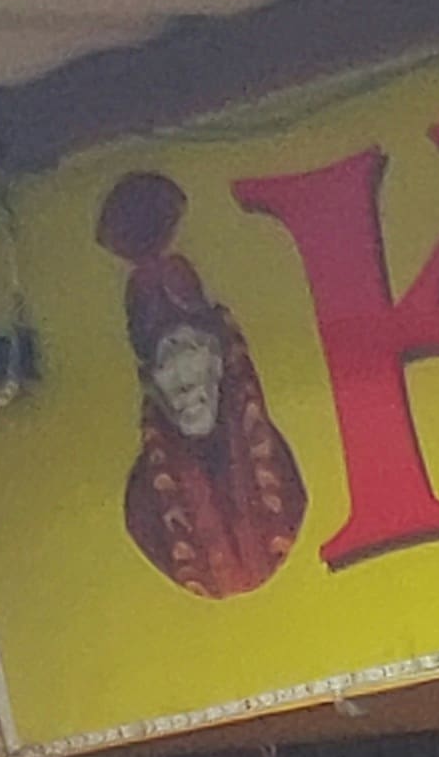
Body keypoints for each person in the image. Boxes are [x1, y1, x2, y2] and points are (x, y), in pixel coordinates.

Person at [96, 170, 310, 594]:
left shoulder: (277, 473)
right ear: (150, 384)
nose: (183, 385)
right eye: (165, 363)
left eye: (190, 355)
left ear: (220, 363)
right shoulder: (145, 505)